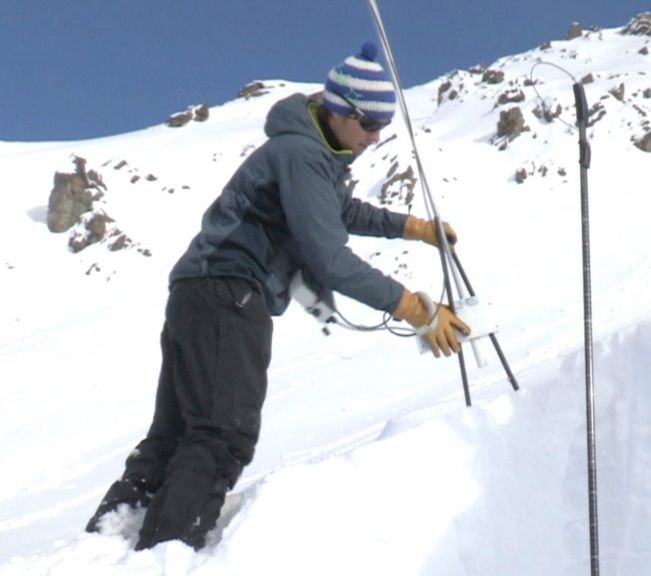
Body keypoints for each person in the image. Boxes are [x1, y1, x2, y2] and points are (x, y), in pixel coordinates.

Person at [84, 42, 470, 551]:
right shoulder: (303, 156)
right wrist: (416, 309)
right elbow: (331, 258)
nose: (375, 139)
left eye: (382, 128)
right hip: (231, 295)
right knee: (222, 436)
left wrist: (411, 228)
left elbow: (339, 211)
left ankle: (102, 548)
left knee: (176, 435)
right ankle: (164, 555)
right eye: (369, 125)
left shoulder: (309, 153)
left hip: (200, 293)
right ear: (341, 110)